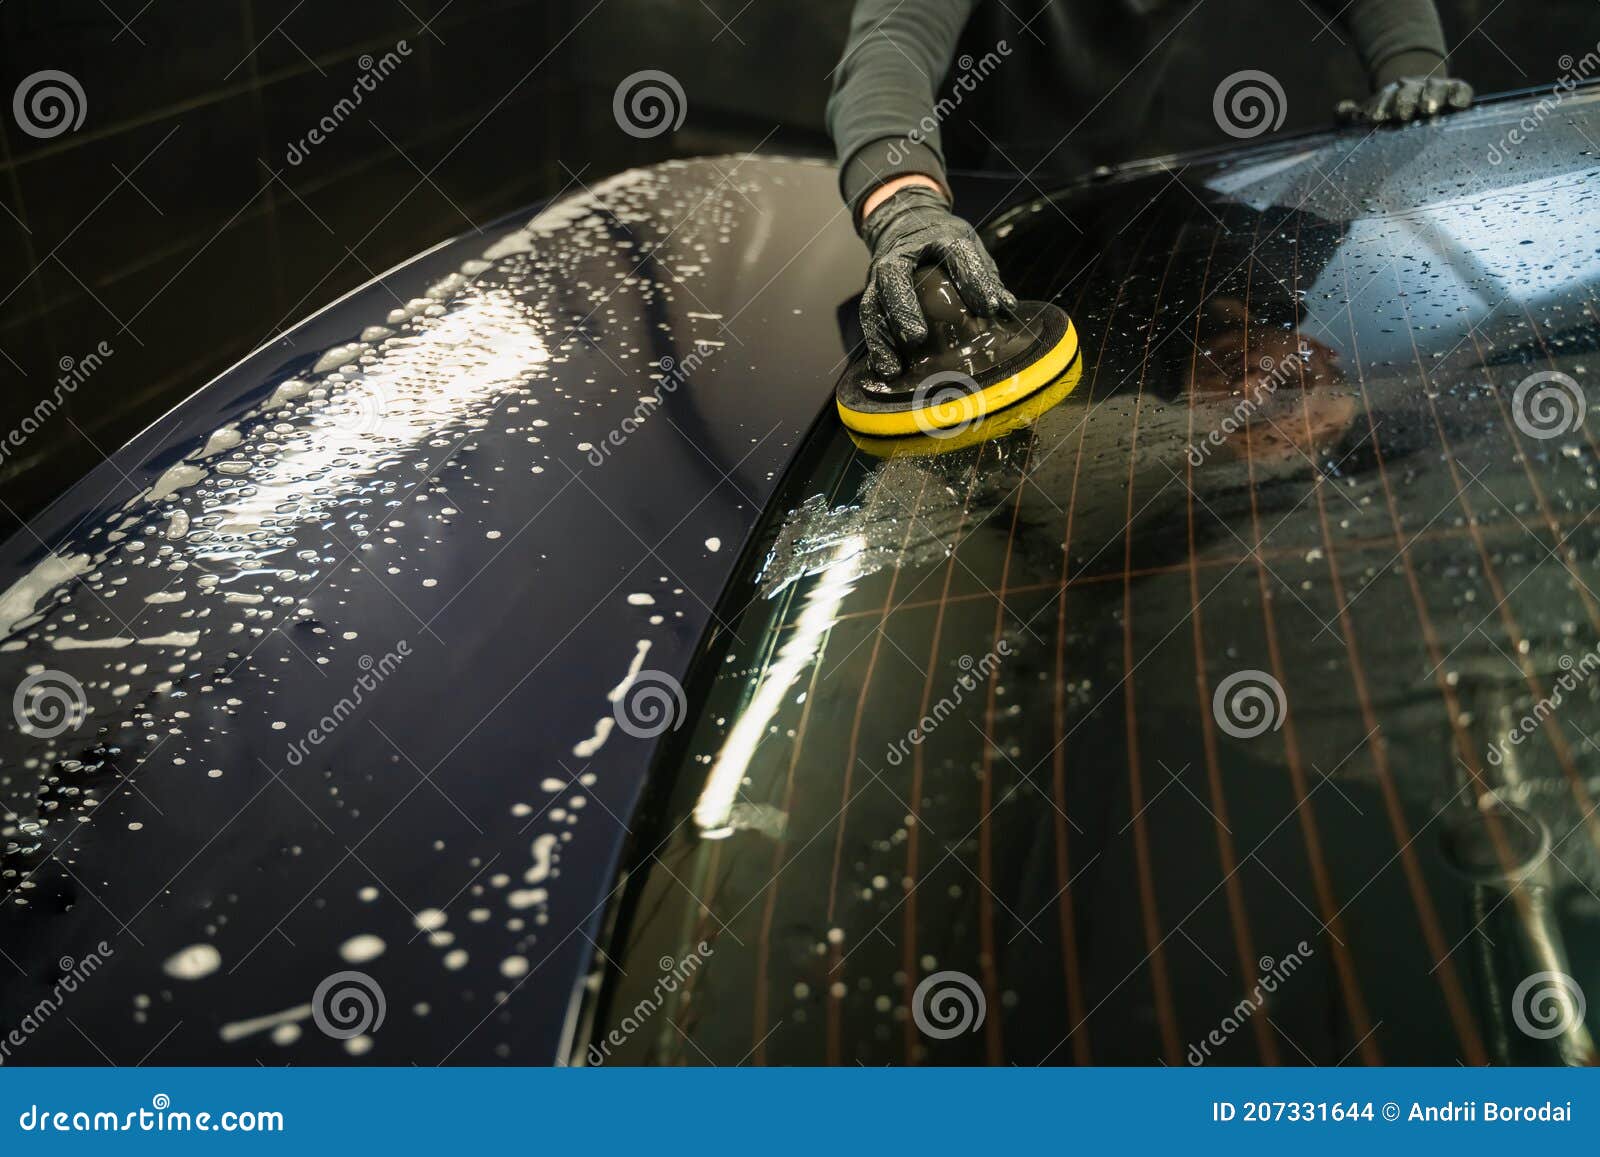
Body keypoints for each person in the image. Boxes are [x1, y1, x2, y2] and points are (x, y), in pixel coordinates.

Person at [827, 0, 1473, 379]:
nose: (1255, 390)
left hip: (1124, 186)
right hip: (967, 200)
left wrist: (1410, 78)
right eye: (1288, 387)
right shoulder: (1277, 271)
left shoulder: (1259, 274)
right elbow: (892, 45)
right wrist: (903, 201)